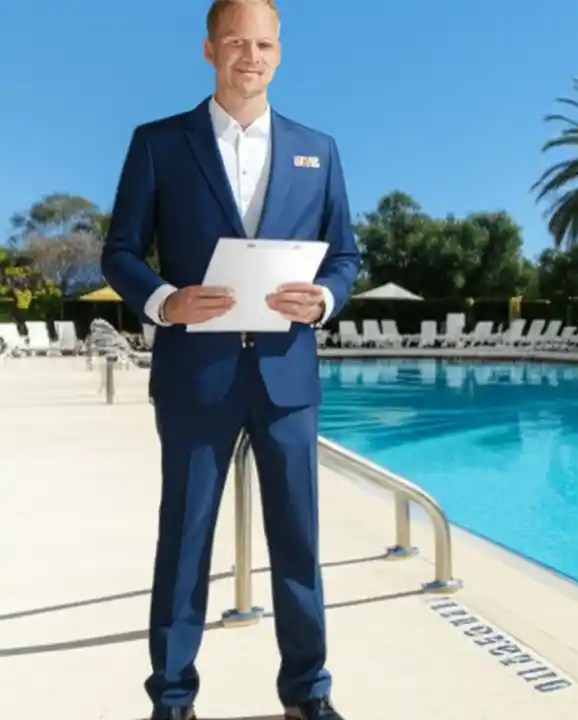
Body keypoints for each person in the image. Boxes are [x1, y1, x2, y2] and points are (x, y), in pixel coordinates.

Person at [99, 1, 358, 718]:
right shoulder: (158, 143)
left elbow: (346, 254)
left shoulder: (320, 148)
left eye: (265, 44)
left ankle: (308, 694)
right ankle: (173, 697)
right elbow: (119, 251)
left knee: (299, 543)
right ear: (209, 49)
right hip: (195, 378)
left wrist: (327, 300)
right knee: (184, 541)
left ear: (281, 52)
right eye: (237, 42)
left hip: (287, 376)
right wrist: (162, 302)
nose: (252, 56)